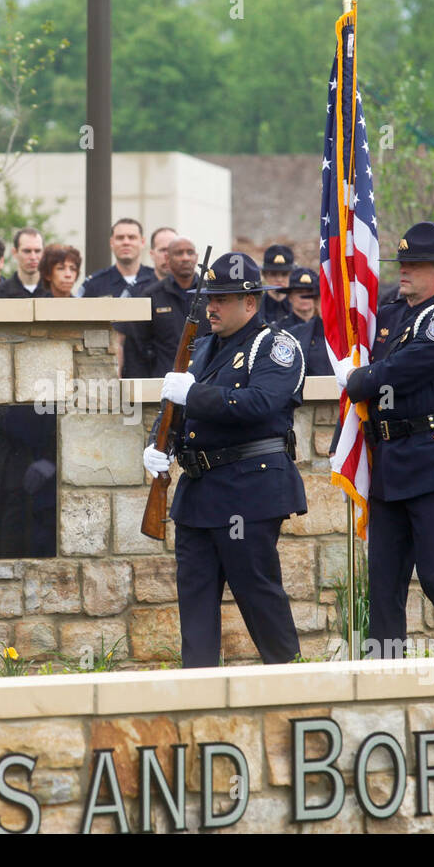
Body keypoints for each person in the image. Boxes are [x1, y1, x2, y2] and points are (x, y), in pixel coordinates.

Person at [141, 251, 306, 668]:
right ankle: (198, 691)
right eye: (210, 296)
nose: (212, 306)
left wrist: (192, 394)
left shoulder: (275, 346)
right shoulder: (201, 349)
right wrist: (159, 444)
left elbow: (261, 404)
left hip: (248, 492)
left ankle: (292, 682)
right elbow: (176, 413)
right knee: (195, 607)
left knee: (258, 596)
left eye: (224, 298)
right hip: (198, 496)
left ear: (251, 303)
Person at [335, 222, 434, 657]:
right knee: (383, 579)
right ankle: (386, 668)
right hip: (393, 460)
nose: (405, 272)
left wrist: (357, 380)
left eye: (416, 266)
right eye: (402, 264)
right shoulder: (395, 315)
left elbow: (398, 372)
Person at [123, 236, 206, 378]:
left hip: (206, 382)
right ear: (167, 259)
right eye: (179, 253)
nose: (185, 258)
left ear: (197, 257)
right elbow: (136, 348)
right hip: (163, 384)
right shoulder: (151, 296)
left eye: (190, 252)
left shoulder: (211, 295)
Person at [81, 218, 155, 298]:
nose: (126, 242)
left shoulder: (156, 281)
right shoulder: (94, 284)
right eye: (120, 238)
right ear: (111, 243)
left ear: (142, 242)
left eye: (131, 237)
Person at [281, 267, 332, 375]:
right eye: (299, 293)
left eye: (309, 293)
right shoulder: (284, 333)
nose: (304, 298)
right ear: (290, 297)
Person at [0, 228, 44, 298]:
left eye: (37, 251)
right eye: (27, 251)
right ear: (15, 252)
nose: (33, 257)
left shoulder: (55, 292)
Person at [260, 244, 294, 325]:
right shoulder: (255, 309)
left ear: (292, 275)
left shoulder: (300, 307)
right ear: (264, 275)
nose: (279, 279)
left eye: (284, 274)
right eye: (273, 274)